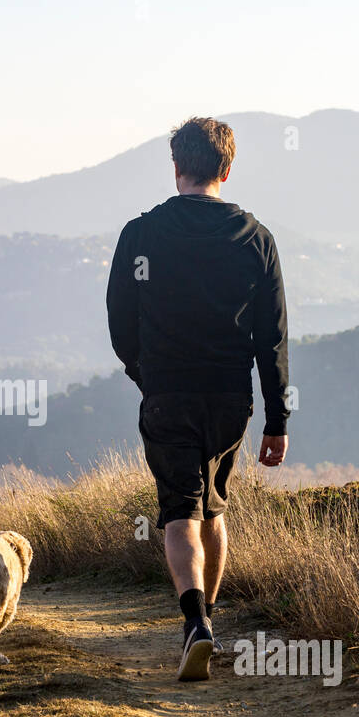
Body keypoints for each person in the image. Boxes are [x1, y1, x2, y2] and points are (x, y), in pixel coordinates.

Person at [106, 116, 290, 682]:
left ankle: (195, 625)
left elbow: (120, 322)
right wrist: (277, 419)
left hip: (168, 391)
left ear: (176, 167)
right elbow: (273, 337)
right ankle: (207, 622)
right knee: (213, 503)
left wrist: (147, 373)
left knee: (179, 509)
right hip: (231, 397)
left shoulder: (140, 234)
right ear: (226, 170)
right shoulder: (256, 239)